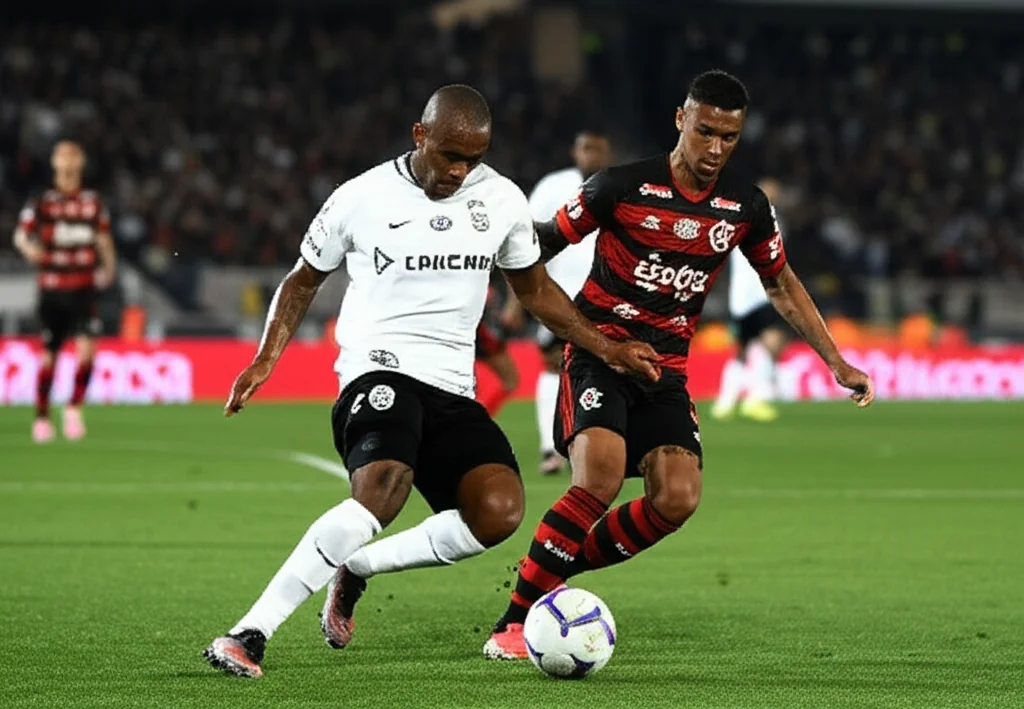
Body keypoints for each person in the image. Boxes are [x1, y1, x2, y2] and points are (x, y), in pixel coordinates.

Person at [202, 84, 659, 679]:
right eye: (449, 156)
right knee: (384, 485)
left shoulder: (500, 199)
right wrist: (267, 357)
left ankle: (359, 567)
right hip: (378, 367)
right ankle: (249, 632)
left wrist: (608, 348)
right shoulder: (359, 197)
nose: (460, 170)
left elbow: (537, 292)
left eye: (473, 158)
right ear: (420, 136)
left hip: (451, 384)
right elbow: (300, 281)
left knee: (499, 510)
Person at [483, 70, 875, 660]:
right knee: (600, 479)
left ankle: (551, 569)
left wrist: (835, 361)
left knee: (677, 498)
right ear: (681, 120)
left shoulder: (744, 207)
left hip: (665, 372)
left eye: (730, 138)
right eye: (706, 131)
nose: (716, 149)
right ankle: (511, 624)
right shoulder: (618, 187)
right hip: (598, 354)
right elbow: (540, 246)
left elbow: (783, 285)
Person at [502, 130, 612, 474]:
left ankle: (595, 451)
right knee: (553, 365)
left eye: (597, 148)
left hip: (606, 298)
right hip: (558, 294)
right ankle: (551, 449)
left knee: (605, 373)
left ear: (608, 153)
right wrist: (515, 301)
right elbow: (523, 241)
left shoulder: (620, 186)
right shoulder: (552, 187)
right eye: (585, 147)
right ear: (574, 150)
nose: (590, 155)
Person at [12, 140, 116, 443]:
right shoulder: (43, 202)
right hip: (53, 288)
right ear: (55, 163)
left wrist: (109, 267)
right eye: (62, 155)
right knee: (50, 355)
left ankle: (73, 408)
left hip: (83, 286)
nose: (68, 160)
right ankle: (42, 417)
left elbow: (103, 239)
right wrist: (29, 249)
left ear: (81, 162)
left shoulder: (92, 202)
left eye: (74, 155)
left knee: (88, 351)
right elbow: (21, 235)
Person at [711, 177, 789, 422]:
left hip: (754, 297)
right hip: (752, 296)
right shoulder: (746, 218)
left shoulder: (771, 220)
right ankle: (747, 399)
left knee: (752, 348)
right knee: (762, 345)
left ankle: (733, 401)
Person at [475, 283, 519, 417]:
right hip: (478, 324)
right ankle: (478, 419)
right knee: (510, 380)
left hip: (481, 316)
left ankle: (479, 418)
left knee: (511, 380)